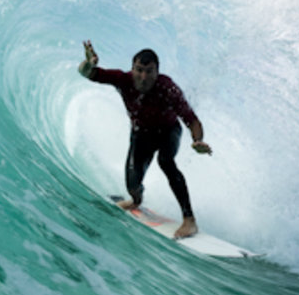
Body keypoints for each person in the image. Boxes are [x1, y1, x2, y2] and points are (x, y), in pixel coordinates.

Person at [78, 40, 212, 239]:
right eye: (139, 70)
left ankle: (189, 220)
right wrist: (89, 63)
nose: (143, 77)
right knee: (132, 183)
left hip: (168, 132)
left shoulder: (167, 88)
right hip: (141, 133)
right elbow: (87, 73)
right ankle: (135, 200)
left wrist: (197, 140)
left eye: (149, 71)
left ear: (157, 72)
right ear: (132, 69)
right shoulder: (123, 79)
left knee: (165, 162)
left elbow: (192, 120)